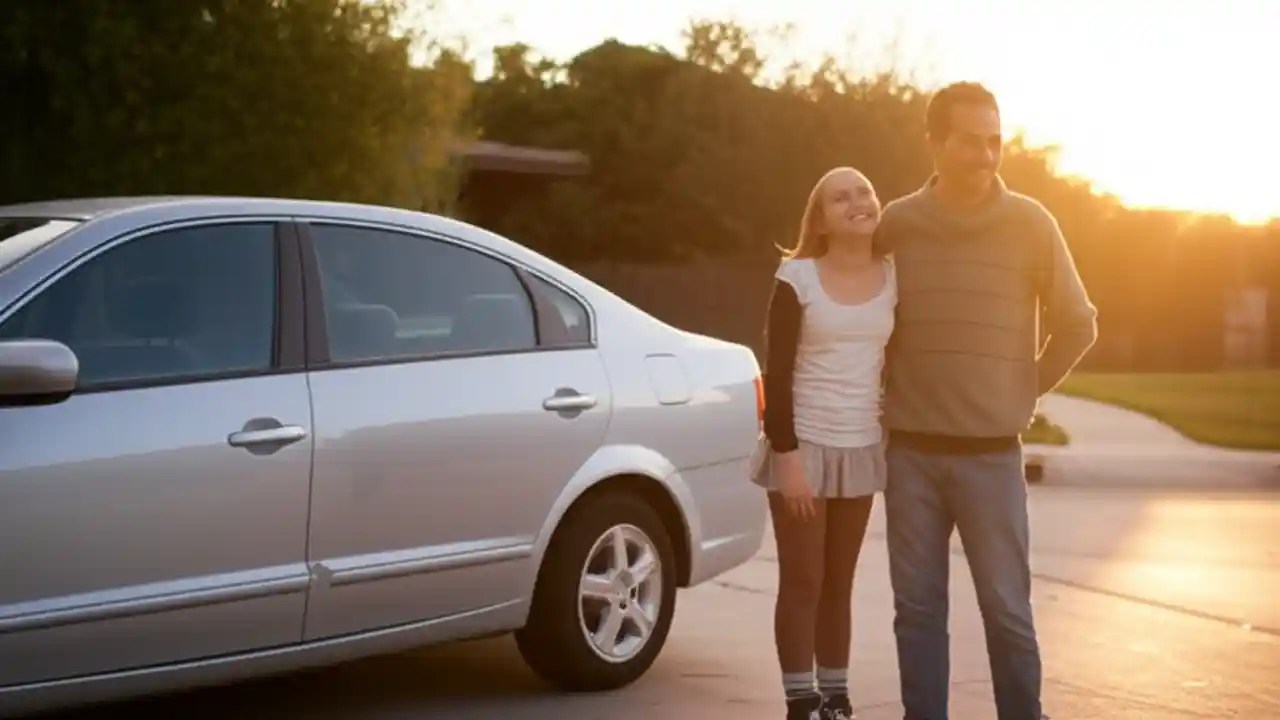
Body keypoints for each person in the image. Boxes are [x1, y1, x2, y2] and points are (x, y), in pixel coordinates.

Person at [872, 82, 1098, 720]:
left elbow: (1079, 323)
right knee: (916, 612)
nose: (988, 155)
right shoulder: (896, 224)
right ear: (935, 144)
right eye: (972, 142)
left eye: (995, 141)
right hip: (911, 455)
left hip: (993, 458)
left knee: (1006, 610)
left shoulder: (1031, 223)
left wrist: (1022, 386)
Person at [752, 166, 897, 720]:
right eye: (841, 198)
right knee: (804, 580)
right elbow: (778, 373)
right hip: (803, 446)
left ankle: (836, 698)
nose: (857, 201)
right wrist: (786, 458)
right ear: (822, 219)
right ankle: (800, 700)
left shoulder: (894, 275)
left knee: (840, 582)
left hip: (860, 446)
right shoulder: (797, 277)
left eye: (864, 190)